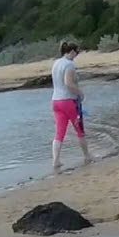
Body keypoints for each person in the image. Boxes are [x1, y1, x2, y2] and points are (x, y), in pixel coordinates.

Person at [50, 41, 94, 169]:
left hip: (56, 101)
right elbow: (68, 83)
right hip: (68, 101)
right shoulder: (69, 65)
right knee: (80, 130)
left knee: (59, 132)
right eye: (77, 52)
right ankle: (87, 156)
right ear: (72, 52)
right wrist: (81, 93)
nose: (76, 55)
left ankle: (56, 160)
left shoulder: (56, 63)